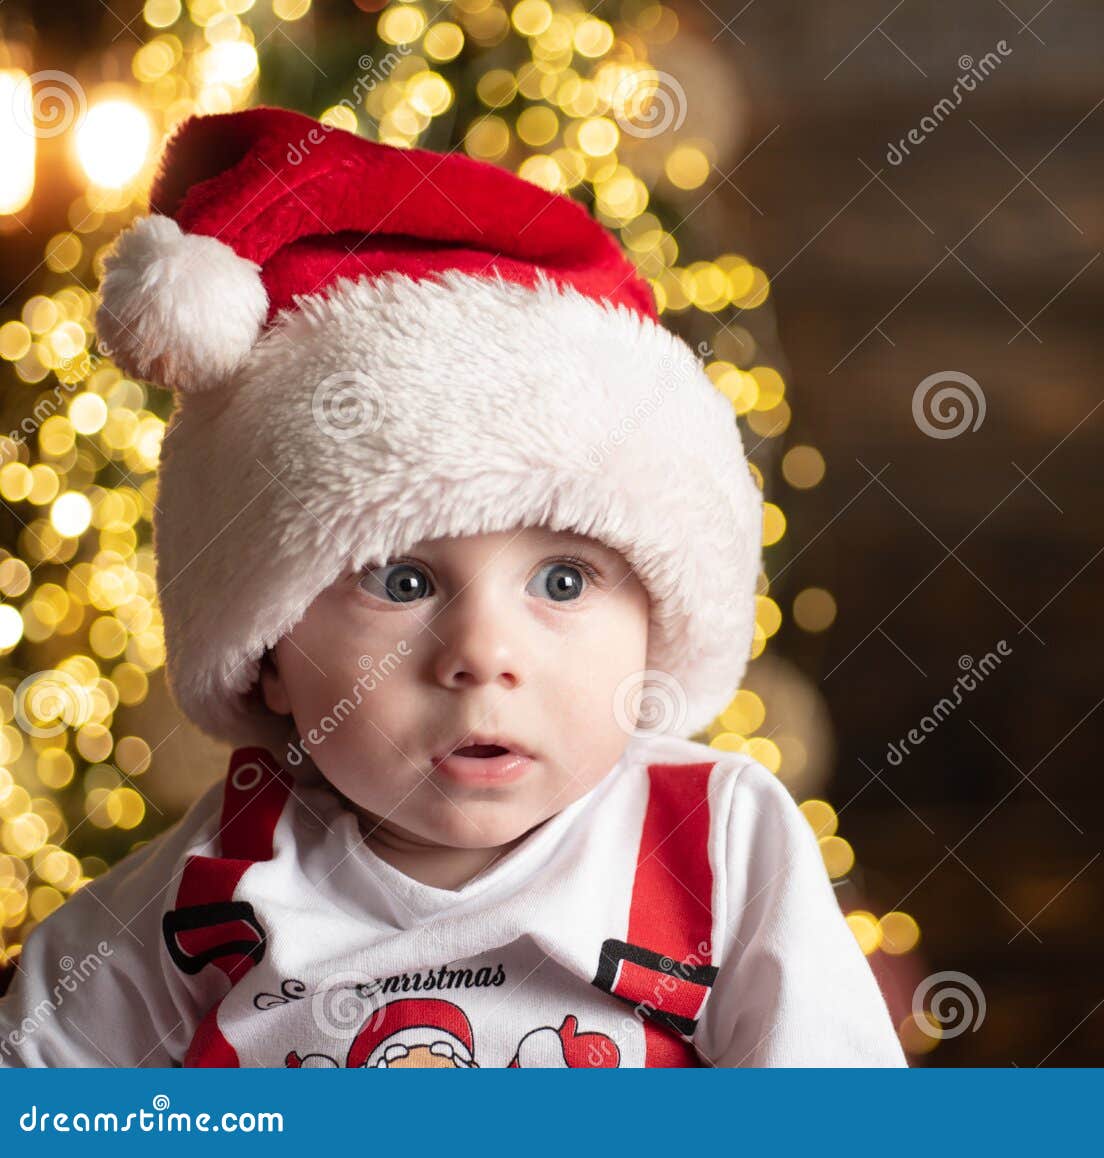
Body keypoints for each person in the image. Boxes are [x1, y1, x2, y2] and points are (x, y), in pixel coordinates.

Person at [0, 106, 905, 1068]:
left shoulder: (717, 842)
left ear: (654, 624)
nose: (482, 654)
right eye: (402, 579)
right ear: (268, 651)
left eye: (563, 579)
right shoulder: (206, 892)